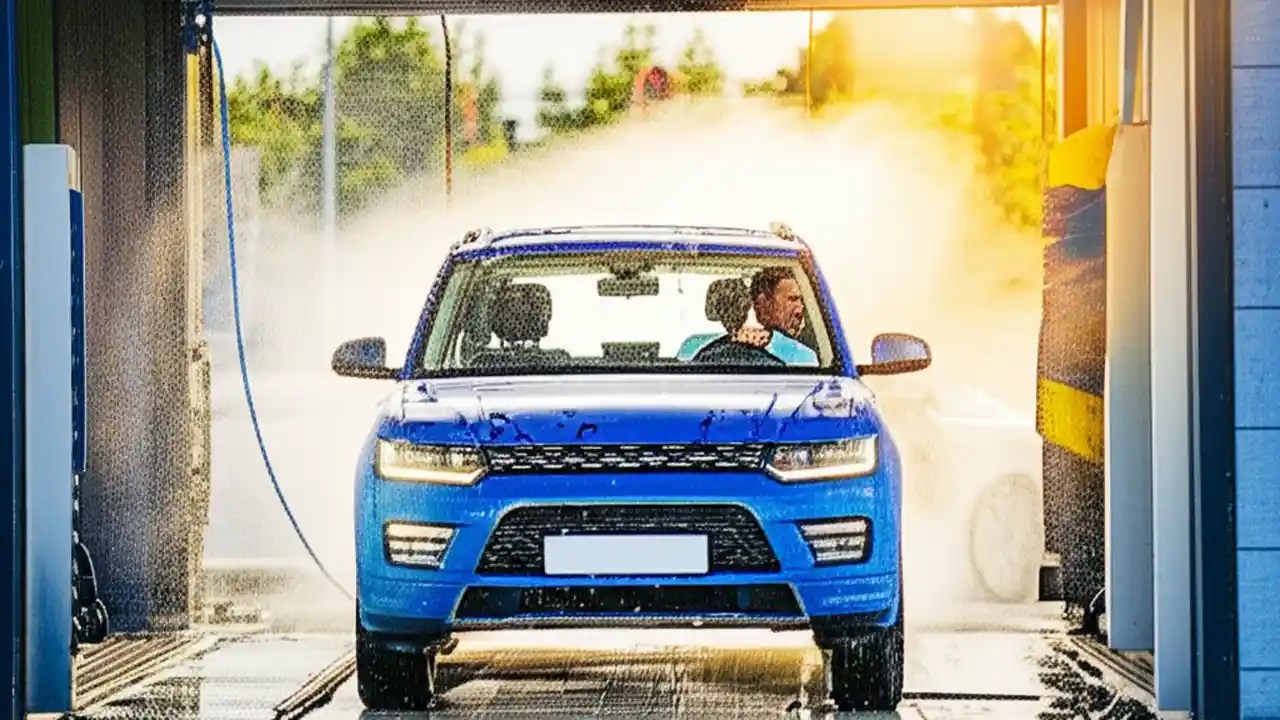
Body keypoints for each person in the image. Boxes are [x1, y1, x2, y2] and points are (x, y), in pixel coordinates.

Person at [733, 266, 819, 366]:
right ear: (763, 303)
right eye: (792, 299)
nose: (800, 309)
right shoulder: (720, 349)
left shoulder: (804, 356)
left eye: (803, 301)